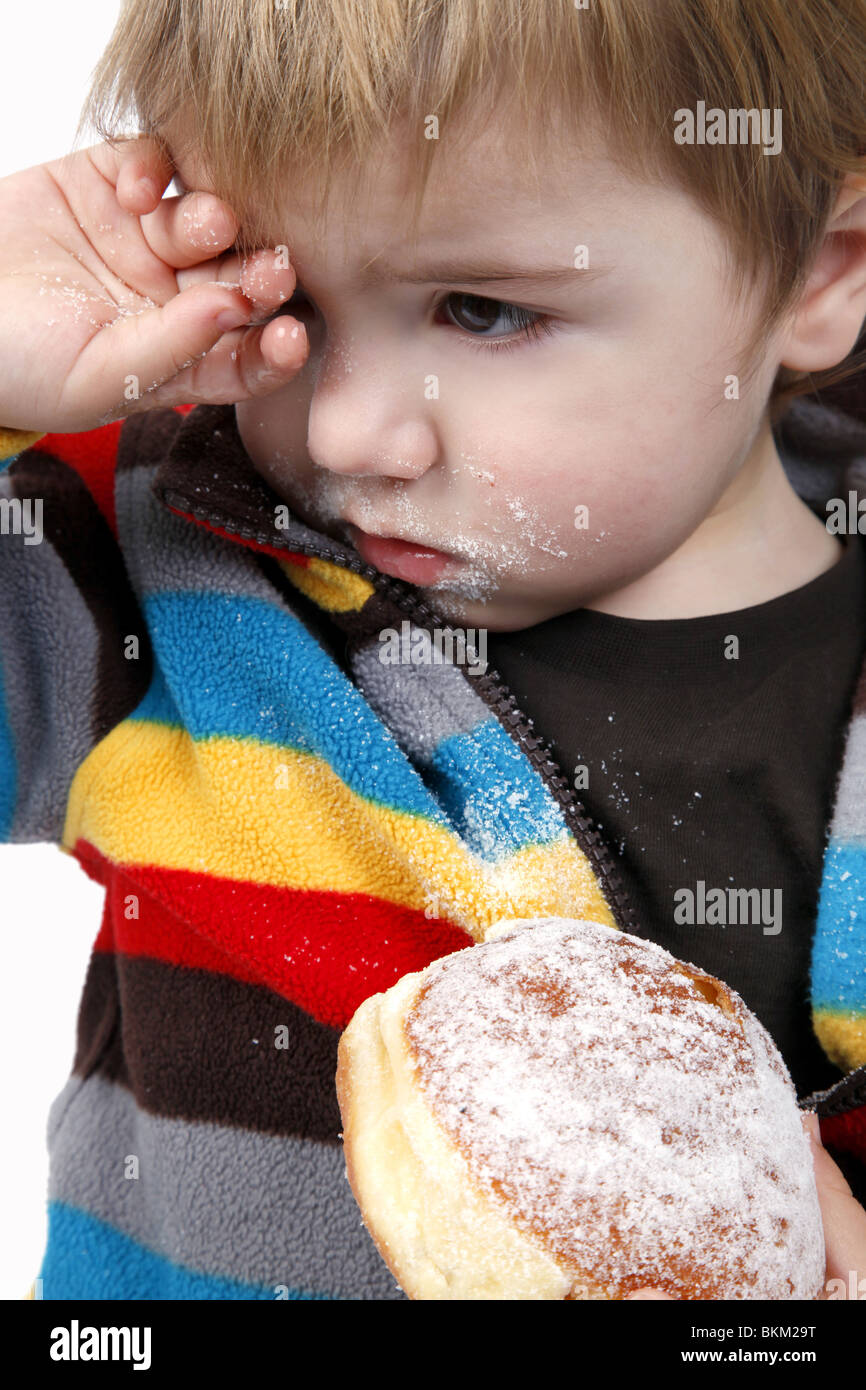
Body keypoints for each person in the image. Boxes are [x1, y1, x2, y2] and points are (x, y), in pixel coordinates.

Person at [2, 0, 866, 1300]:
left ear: (817, 269)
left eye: (480, 309)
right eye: (277, 300)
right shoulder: (143, 559)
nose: (347, 433)